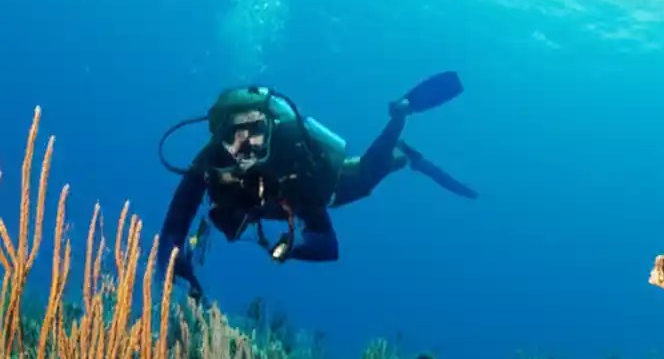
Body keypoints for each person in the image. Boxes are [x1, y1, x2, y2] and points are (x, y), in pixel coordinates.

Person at [157, 72, 476, 301]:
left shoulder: (292, 166)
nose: (246, 144)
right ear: (218, 135)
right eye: (233, 133)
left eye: (254, 129)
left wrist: (290, 249)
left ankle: (402, 123)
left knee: (365, 174)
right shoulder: (210, 161)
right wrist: (174, 260)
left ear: (269, 128)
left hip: (333, 186)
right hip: (272, 203)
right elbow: (175, 222)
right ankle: (400, 147)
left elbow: (328, 243)